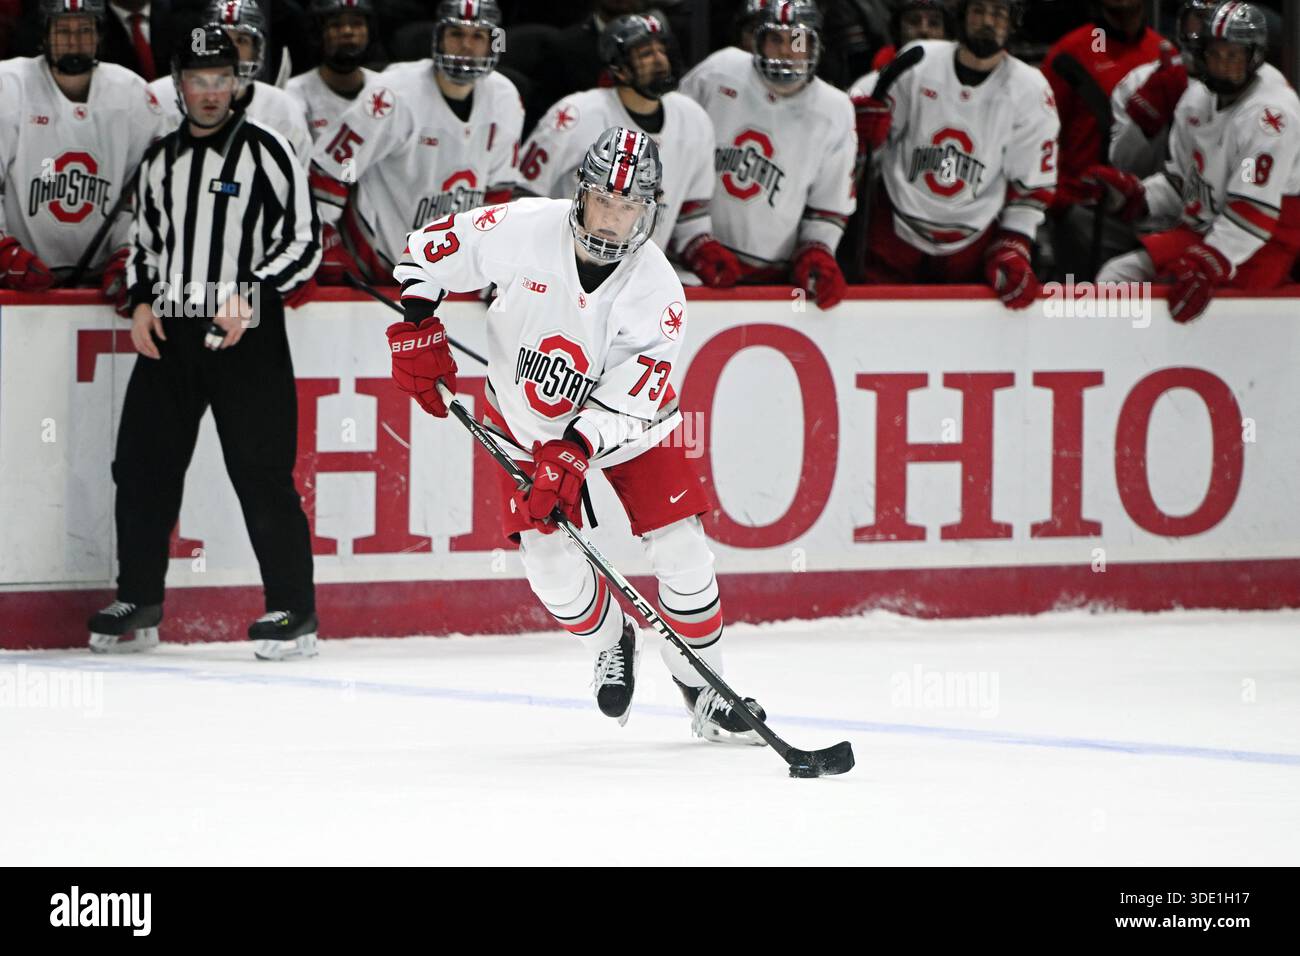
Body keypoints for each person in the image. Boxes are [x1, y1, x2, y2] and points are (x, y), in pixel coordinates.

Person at [389, 126, 767, 742]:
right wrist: (417, 321)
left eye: (629, 207)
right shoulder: (522, 228)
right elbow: (427, 250)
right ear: (581, 194)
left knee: (683, 551)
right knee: (548, 565)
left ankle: (705, 689)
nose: (613, 219)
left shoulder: (658, 290)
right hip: (523, 423)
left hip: (628, 432)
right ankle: (611, 637)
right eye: (603, 202)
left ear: (648, 211)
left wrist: (578, 446)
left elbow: (632, 398)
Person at [86, 26, 322, 660]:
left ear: (237, 82)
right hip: (172, 333)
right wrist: (139, 302)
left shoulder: (268, 151)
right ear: (179, 84)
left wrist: (251, 293)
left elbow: (304, 242)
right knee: (141, 469)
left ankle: (294, 611)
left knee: (262, 476)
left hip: (246, 335)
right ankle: (140, 598)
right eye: (199, 80)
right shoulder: (161, 159)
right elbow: (146, 244)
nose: (211, 92)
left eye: (222, 79)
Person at [1088, 2, 1300, 323]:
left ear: (1254, 57)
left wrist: (1207, 263)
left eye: (1234, 55)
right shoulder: (1196, 99)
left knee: (1200, 303)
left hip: (1266, 239)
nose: (1224, 64)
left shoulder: (1271, 114)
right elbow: (1182, 183)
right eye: (1215, 54)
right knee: (1116, 276)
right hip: (1208, 227)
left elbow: (1253, 215)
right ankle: (1116, 365)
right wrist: (1140, 197)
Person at [850, 0, 1057, 307]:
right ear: (961, 17)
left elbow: (1031, 185)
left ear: (1013, 24)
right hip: (895, 231)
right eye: (979, 11)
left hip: (972, 242)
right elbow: (866, 137)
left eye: (998, 14)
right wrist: (865, 134)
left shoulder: (1030, 89)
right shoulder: (917, 61)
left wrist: (1015, 241)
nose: (988, 21)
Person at [513, 12, 738, 287]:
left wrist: (701, 250)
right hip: (564, 276)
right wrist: (518, 262)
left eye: (662, 49)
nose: (659, 60)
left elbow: (691, 216)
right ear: (618, 67)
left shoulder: (695, 120)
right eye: (645, 53)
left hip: (637, 284)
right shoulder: (576, 115)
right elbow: (522, 196)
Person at [308, 0, 523, 283]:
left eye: (478, 36)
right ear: (438, 39)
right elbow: (333, 170)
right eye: (456, 34)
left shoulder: (505, 98)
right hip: (376, 270)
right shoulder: (394, 93)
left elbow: (497, 195)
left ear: (494, 44)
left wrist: (489, 261)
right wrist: (325, 238)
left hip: (450, 277)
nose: (466, 46)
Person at [680, 0, 855, 309]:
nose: (787, 51)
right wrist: (692, 238)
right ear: (757, 41)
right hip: (692, 265)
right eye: (775, 40)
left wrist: (817, 248)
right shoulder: (718, 72)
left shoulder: (835, 109)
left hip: (776, 277)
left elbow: (829, 204)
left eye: (798, 41)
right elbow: (674, 153)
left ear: (815, 46)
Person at [0, 0, 164, 305]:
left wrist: (128, 252)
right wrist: (2, 251)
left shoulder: (131, 95)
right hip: (17, 287)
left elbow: (143, 196)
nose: (74, 41)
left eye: (85, 30)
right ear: (45, 35)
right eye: (63, 30)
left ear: (99, 35)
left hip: (102, 284)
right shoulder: (9, 87)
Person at [147, 0, 312, 164]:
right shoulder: (159, 97)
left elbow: (294, 182)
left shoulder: (283, 109)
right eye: (221, 35)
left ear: (257, 50)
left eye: (241, 40)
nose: (230, 48)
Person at [1109, 0, 1216, 178]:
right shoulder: (1139, 81)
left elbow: (1252, 168)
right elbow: (1123, 167)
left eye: (1218, 17)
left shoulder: (1260, 85)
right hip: (1159, 199)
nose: (1210, 27)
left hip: (1230, 199)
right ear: (1183, 22)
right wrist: (1146, 119)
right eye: (1201, 16)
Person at [286, 0, 379, 147]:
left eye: (357, 24)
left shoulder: (385, 89)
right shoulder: (293, 94)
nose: (348, 31)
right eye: (336, 25)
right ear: (318, 35)